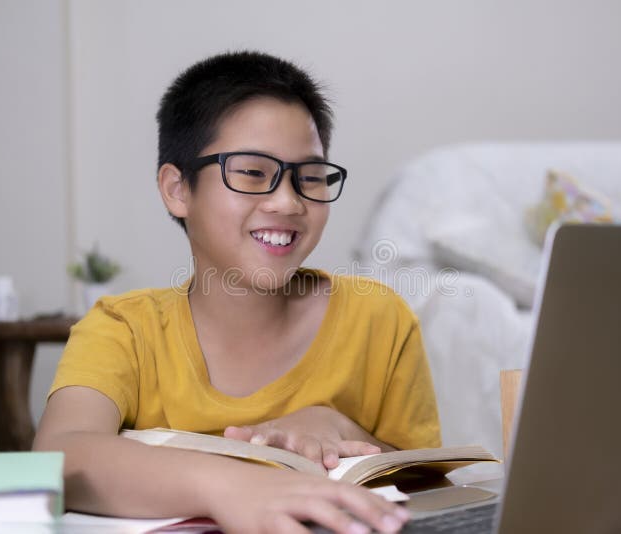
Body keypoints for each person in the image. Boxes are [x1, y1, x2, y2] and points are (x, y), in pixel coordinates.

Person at [34, 50, 440, 534]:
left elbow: (429, 487)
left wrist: (343, 431)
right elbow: (61, 456)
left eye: (309, 177)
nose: (288, 202)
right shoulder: (124, 328)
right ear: (177, 189)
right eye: (251, 172)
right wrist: (230, 485)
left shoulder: (378, 318)